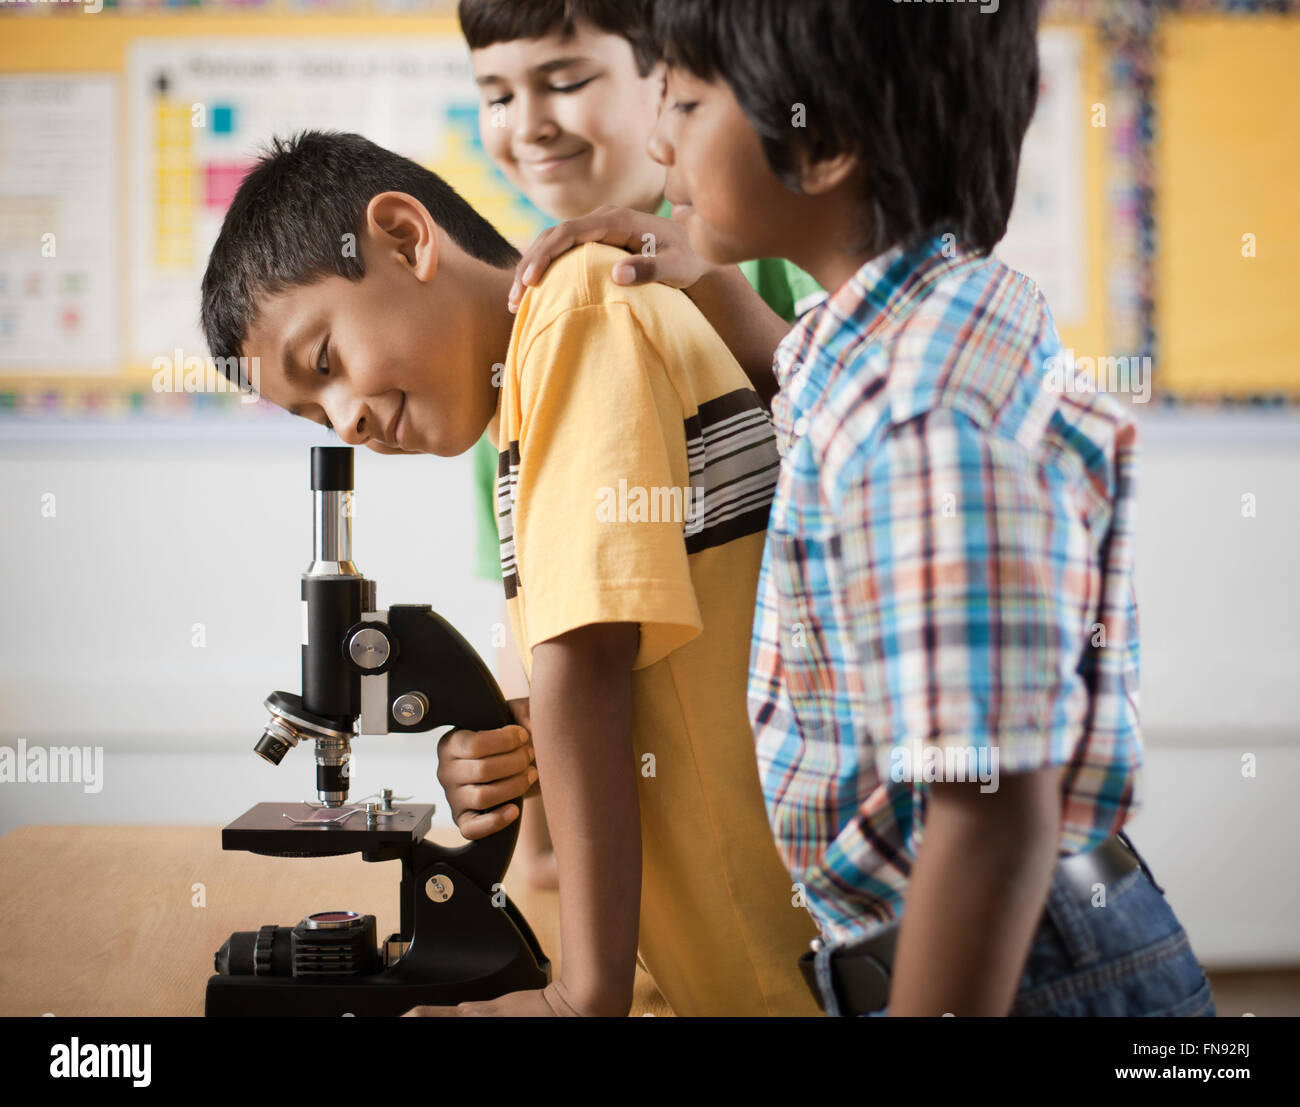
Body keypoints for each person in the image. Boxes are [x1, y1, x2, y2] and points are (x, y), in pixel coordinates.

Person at [504, 0, 1216, 1016]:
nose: (657, 138)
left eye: (688, 103)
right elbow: (812, 394)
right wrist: (708, 272)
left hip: (996, 954)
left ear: (823, 141)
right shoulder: (940, 318)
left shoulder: (917, 422)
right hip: (1047, 926)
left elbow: (989, 810)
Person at [199, 129, 820, 1016]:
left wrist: (581, 995)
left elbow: (588, 654)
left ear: (408, 238)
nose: (344, 424)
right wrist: (514, 739)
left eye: (325, 362)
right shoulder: (529, 393)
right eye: (311, 412)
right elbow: (670, 660)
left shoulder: (571, 317)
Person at [456, 0, 825, 888]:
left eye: (566, 80)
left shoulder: (770, 250)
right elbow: (543, 623)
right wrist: (519, 806)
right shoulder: (523, 325)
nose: (528, 124)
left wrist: (731, 302)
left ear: (667, 79)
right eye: (495, 93)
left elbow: (874, 422)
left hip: (805, 807)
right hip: (664, 859)